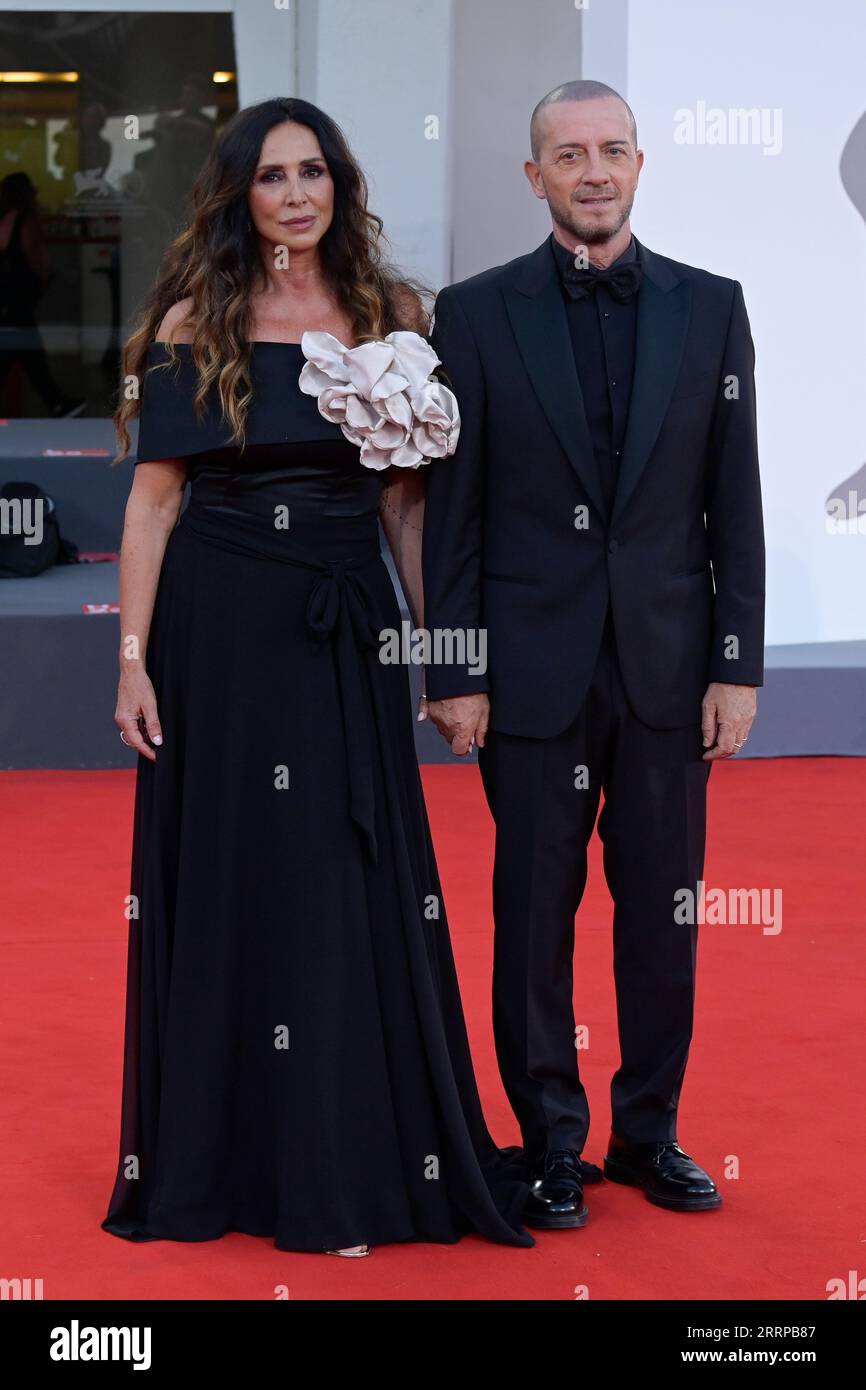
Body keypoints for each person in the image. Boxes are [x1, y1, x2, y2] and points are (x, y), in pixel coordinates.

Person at [101, 97, 534, 1257]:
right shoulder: (201, 319)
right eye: (271, 177)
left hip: (343, 633)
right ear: (238, 196)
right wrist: (133, 663)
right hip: (221, 633)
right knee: (243, 880)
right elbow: (153, 508)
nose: (295, 194)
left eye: (313, 173)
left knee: (345, 880)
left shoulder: (392, 317)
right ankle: (233, 1158)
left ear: (338, 186)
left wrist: (445, 663)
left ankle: (348, 1158)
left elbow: (408, 513)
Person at [422, 80, 765, 1228]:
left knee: (661, 911)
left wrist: (737, 661)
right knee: (532, 912)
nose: (592, 170)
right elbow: (450, 513)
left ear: (636, 163)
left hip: (669, 666)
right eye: (567, 154)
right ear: (534, 177)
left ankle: (649, 1132)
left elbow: (737, 504)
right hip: (525, 669)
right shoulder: (470, 315)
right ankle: (547, 1143)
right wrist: (454, 669)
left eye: (611, 149)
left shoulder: (711, 307)